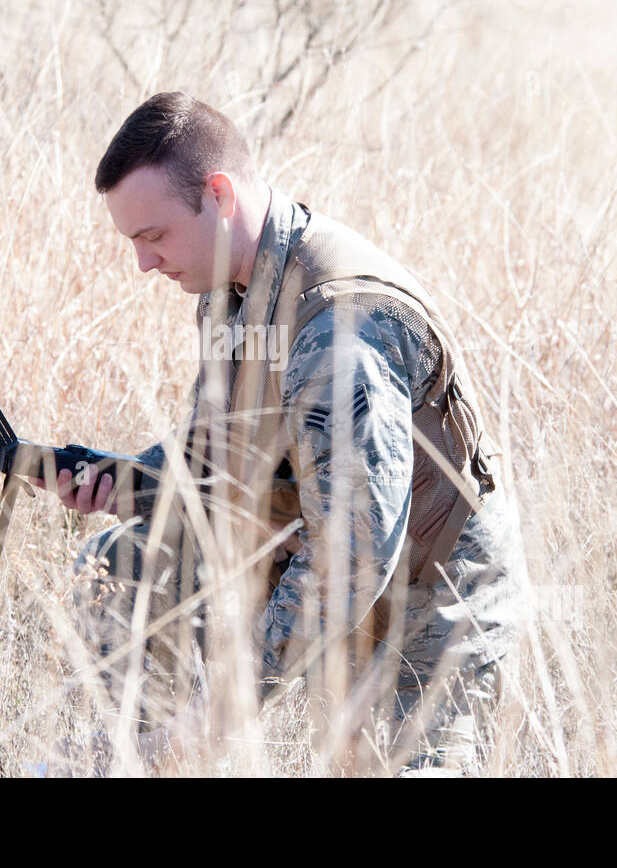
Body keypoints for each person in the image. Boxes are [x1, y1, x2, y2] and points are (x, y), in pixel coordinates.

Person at [33, 91, 526, 776]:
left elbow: (351, 555)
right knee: (114, 564)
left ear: (219, 194)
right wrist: (127, 482)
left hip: (429, 592)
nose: (144, 264)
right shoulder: (228, 288)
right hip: (312, 547)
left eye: (154, 237)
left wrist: (213, 714)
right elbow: (221, 450)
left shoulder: (338, 326)